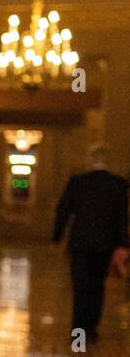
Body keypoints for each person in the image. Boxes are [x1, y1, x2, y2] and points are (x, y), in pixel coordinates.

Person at [53, 144, 130, 341]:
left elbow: (63, 210)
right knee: (97, 286)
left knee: (80, 288)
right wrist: (123, 244)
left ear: (90, 159)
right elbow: (122, 217)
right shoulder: (118, 184)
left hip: (80, 244)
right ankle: (91, 328)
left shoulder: (78, 182)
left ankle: (78, 332)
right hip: (105, 245)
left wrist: (57, 235)